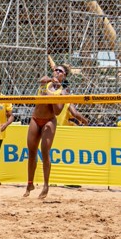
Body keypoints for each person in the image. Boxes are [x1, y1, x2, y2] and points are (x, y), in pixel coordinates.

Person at [24, 66, 70, 198]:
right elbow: (41, 80)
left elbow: (57, 111)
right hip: (35, 118)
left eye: (60, 71)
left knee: (45, 152)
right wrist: (52, 81)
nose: (57, 72)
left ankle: (45, 185)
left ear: (64, 76)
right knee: (31, 151)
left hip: (49, 120)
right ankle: (30, 183)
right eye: (56, 69)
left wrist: (50, 95)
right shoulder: (47, 81)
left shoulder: (63, 91)